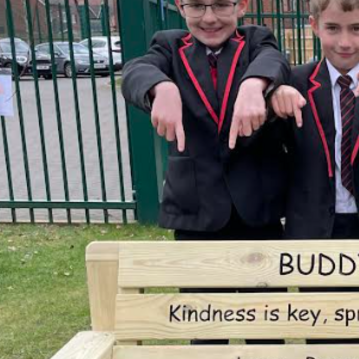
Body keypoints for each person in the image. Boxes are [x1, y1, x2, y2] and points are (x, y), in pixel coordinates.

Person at [122, 0, 289, 240]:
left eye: (221, 5)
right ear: (181, 7)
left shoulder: (256, 40)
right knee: (197, 278)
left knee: (260, 278)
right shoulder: (168, 45)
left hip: (257, 208)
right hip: (195, 209)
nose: (209, 18)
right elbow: (135, 70)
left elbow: (273, 59)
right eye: (197, 6)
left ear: (241, 6)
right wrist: (160, 86)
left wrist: (255, 82)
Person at [270, 0, 359, 240]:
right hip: (312, 226)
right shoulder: (295, 83)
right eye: (332, 28)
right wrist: (273, 102)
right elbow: (270, 146)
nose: (344, 43)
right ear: (315, 26)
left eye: (356, 29)